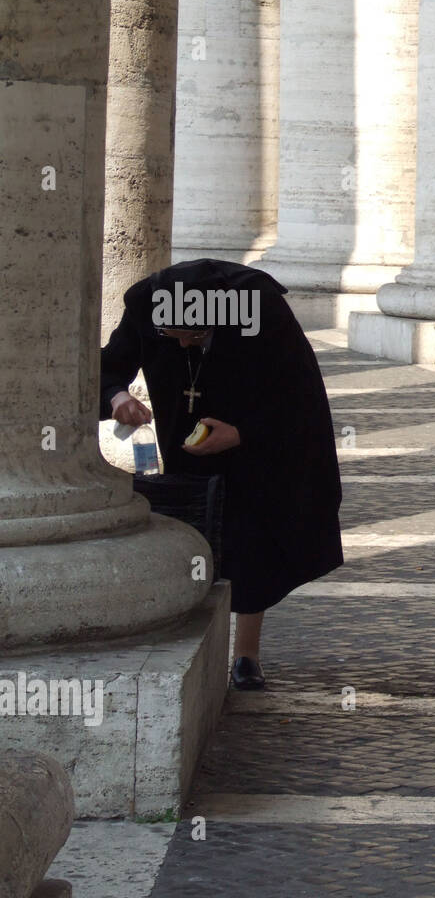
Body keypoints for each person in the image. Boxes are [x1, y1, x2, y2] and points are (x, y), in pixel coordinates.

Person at [100, 259, 343, 690]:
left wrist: (243, 432)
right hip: (184, 442)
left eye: (188, 336)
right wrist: (119, 396)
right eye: (167, 335)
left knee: (252, 544)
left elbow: (300, 395)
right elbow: (108, 367)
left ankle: (246, 655)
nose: (177, 345)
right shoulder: (147, 306)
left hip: (253, 449)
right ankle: (190, 643)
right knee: (191, 542)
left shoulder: (260, 308)